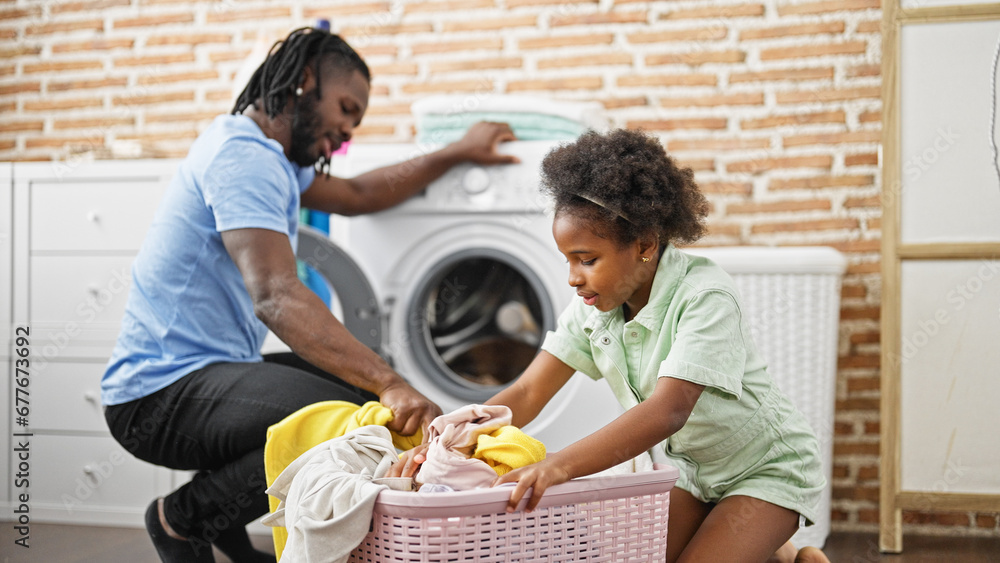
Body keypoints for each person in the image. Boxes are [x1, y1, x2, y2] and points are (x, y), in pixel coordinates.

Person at [101, 27, 518, 563]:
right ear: (303, 81)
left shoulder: (270, 159)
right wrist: (391, 383)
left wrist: (456, 153)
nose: (345, 133)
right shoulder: (243, 158)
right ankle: (183, 520)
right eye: (345, 108)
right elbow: (275, 295)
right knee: (347, 417)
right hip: (154, 397)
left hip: (205, 376)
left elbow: (359, 193)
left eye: (355, 122)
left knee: (359, 402)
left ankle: (222, 529)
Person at [393, 128, 831, 563]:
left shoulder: (705, 296)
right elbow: (528, 391)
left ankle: (774, 542)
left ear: (644, 245)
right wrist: (449, 441)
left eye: (586, 260)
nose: (572, 277)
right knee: (639, 556)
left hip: (765, 467)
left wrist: (559, 465)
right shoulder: (595, 306)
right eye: (567, 260)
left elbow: (668, 411)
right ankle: (786, 557)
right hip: (696, 474)